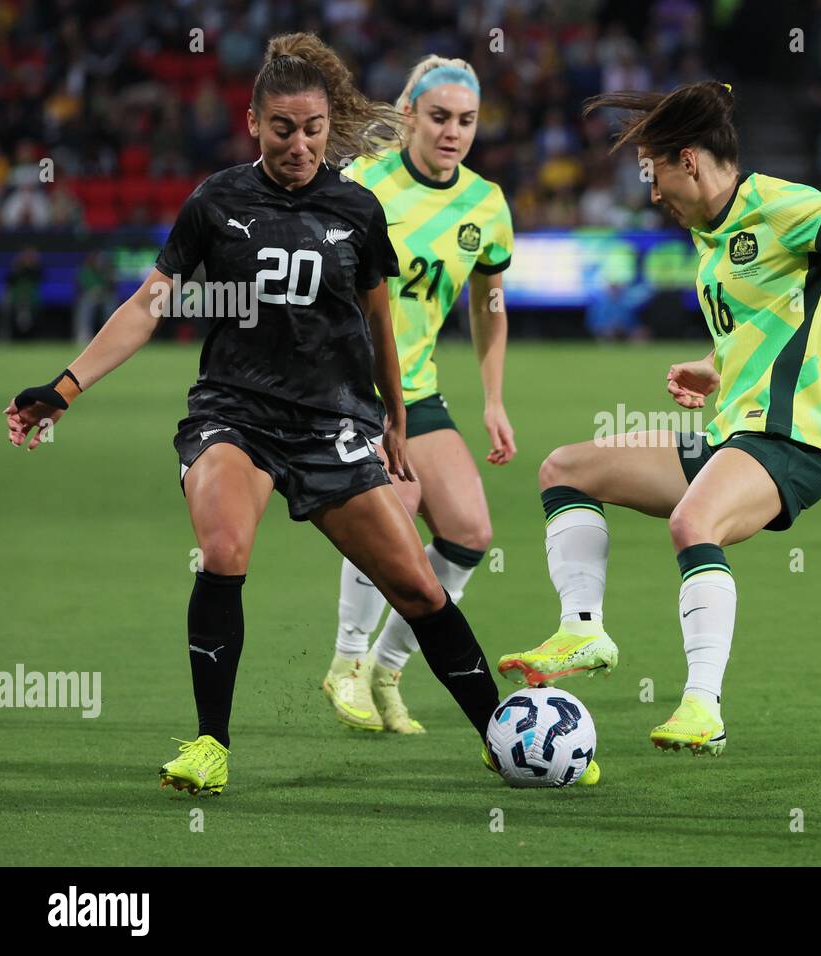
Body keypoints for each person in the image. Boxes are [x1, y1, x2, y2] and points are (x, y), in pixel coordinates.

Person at [4, 33, 507, 795]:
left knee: (419, 588)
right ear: (253, 123)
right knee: (225, 550)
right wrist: (64, 388)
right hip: (232, 415)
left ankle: (506, 738)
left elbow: (380, 320)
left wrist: (394, 418)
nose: (299, 144)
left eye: (311, 129)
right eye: (283, 129)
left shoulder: (356, 208)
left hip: (332, 421)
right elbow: (149, 305)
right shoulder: (217, 201)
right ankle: (211, 744)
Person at [494, 81, 821, 756]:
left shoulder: (777, 204)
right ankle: (583, 631)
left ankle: (702, 707)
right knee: (566, 469)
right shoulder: (709, 236)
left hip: (791, 442)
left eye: (655, 175)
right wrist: (713, 368)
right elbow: (764, 324)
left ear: (689, 159)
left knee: (694, 522)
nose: (654, 194)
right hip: (730, 435)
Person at [322, 54, 517, 737]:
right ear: (409, 116)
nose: (453, 131)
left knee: (468, 533)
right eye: (439, 117)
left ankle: (386, 665)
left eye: (466, 120)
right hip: (353, 390)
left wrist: (493, 400)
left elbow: (490, 306)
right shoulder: (363, 184)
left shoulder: (486, 205)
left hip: (420, 392)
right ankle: (344, 662)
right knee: (395, 511)